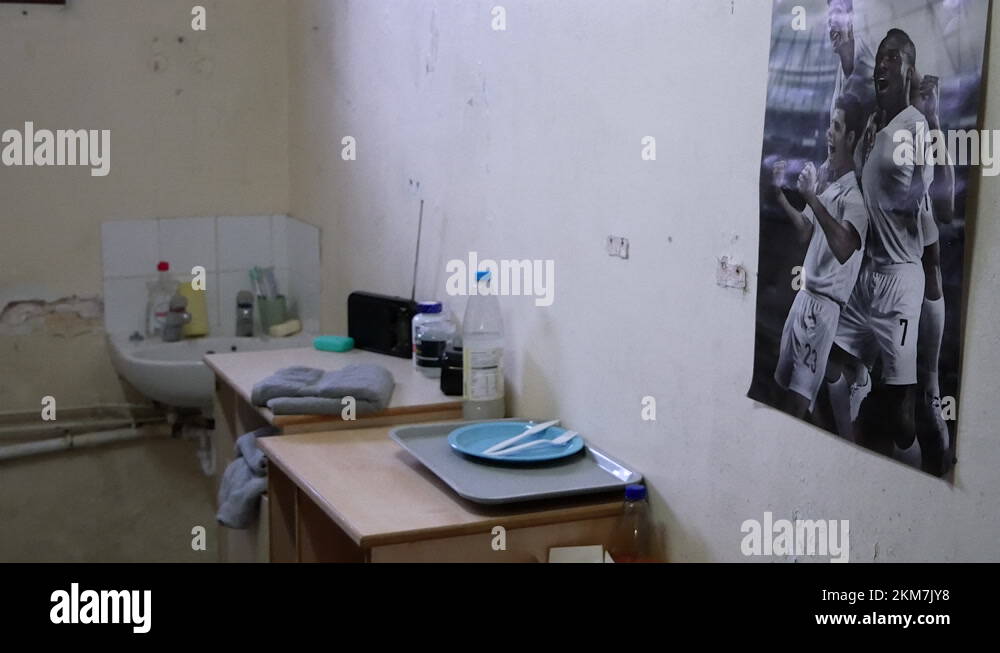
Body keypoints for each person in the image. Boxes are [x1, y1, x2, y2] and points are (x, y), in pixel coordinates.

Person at [830, 29, 939, 453]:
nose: (882, 64)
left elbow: (922, 196)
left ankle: (916, 467)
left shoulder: (915, 126)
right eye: (880, 57)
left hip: (900, 281)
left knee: (901, 412)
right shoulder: (876, 126)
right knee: (831, 362)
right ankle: (846, 439)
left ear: (909, 70)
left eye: (893, 58)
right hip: (867, 275)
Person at [770, 94, 869, 420]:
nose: (829, 132)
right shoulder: (831, 190)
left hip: (823, 311)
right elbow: (805, 232)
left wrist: (812, 198)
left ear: (851, 138)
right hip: (803, 300)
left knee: (797, 404)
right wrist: (780, 195)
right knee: (780, 392)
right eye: (830, 125)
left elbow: (844, 248)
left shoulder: (855, 199)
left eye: (836, 127)